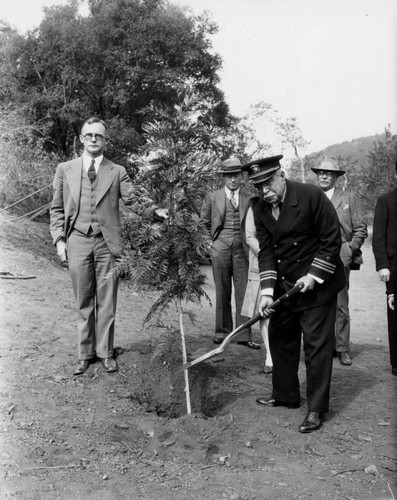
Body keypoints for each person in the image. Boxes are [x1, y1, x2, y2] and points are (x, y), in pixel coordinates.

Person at [50, 117, 167, 376]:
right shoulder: (65, 169)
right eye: (89, 135)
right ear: (81, 139)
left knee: (107, 301)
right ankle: (85, 354)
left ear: (105, 141)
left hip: (107, 243)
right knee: (83, 300)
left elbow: (133, 202)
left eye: (99, 136)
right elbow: (56, 209)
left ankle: (105, 352)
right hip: (77, 240)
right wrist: (60, 240)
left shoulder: (117, 171)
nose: (93, 139)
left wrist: (156, 211)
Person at [242, 154, 345, 433]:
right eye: (258, 186)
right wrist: (266, 290)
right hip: (285, 284)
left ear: (281, 175)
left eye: (269, 183)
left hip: (318, 285)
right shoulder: (259, 207)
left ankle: (316, 409)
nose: (265, 191)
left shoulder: (311, 196)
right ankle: (286, 395)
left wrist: (313, 275)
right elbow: (266, 251)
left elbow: (331, 239)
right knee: (281, 337)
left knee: (315, 346)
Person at [312, 156, 368, 366]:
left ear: (336, 177)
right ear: (317, 176)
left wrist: (350, 249)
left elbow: (360, 228)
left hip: (341, 252)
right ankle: (322, 347)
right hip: (316, 254)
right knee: (317, 302)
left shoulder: (348, 198)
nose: (324, 176)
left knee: (341, 303)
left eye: (329, 173)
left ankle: (342, 348)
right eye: (321, 173)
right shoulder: (311, 196)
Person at [200, 157, 260, 348]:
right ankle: (222, 333)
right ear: (223, 178)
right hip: (220, 248)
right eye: (228, 176)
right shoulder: (212, 197)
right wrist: (210, 244)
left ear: (241, 177)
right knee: (222, 291)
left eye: (235, 176)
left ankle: (243, 335)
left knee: (244, 291)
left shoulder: (250, 197)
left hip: (243, 249)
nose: (232, 180)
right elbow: (203, 224)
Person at [241, 200, 273, 373]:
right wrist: (267, 255)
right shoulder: (254, 206)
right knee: (265, 313)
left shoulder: (285, 203)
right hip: (261, 263)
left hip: (285, 264)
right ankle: (270, 355)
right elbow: (250, 236)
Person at [372, 161, 397, 376]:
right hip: (395, 268)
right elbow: (378, 236)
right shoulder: (385, 201)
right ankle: (396, 362)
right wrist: (383, 266)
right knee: (395, 313)